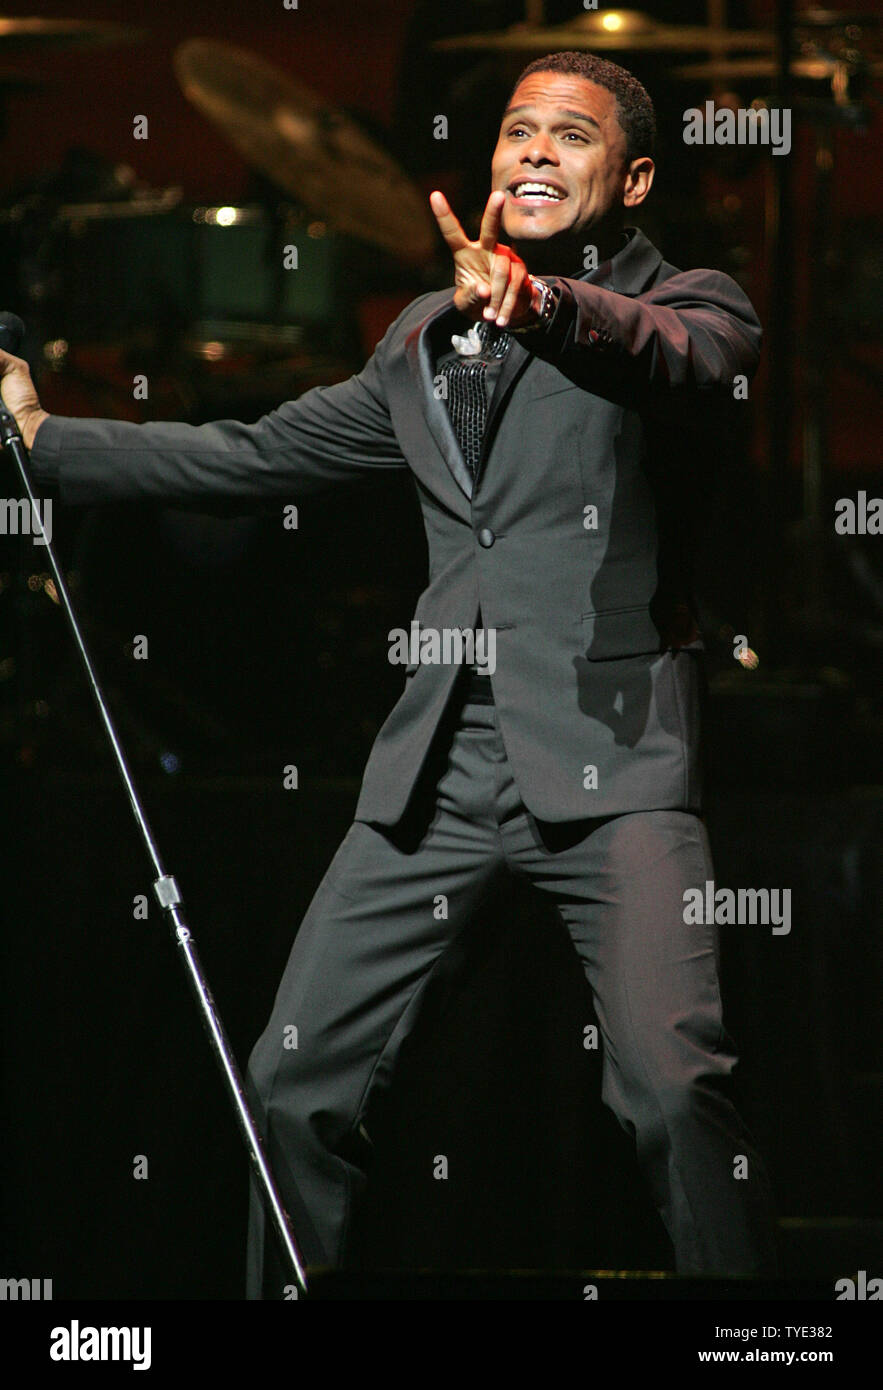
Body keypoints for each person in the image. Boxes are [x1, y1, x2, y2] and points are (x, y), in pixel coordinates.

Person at [1, 50, 779, 1294]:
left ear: (630, 178)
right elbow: (251, 454)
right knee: (290, 1086)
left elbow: (670, 359)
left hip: (613, 762)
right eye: (516, 129)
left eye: (568, 136)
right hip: (438, 774)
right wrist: (44, 443)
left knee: (676, 1091)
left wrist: (546, 309)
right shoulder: (422, 340)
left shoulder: (695, 302)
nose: (531, 151)